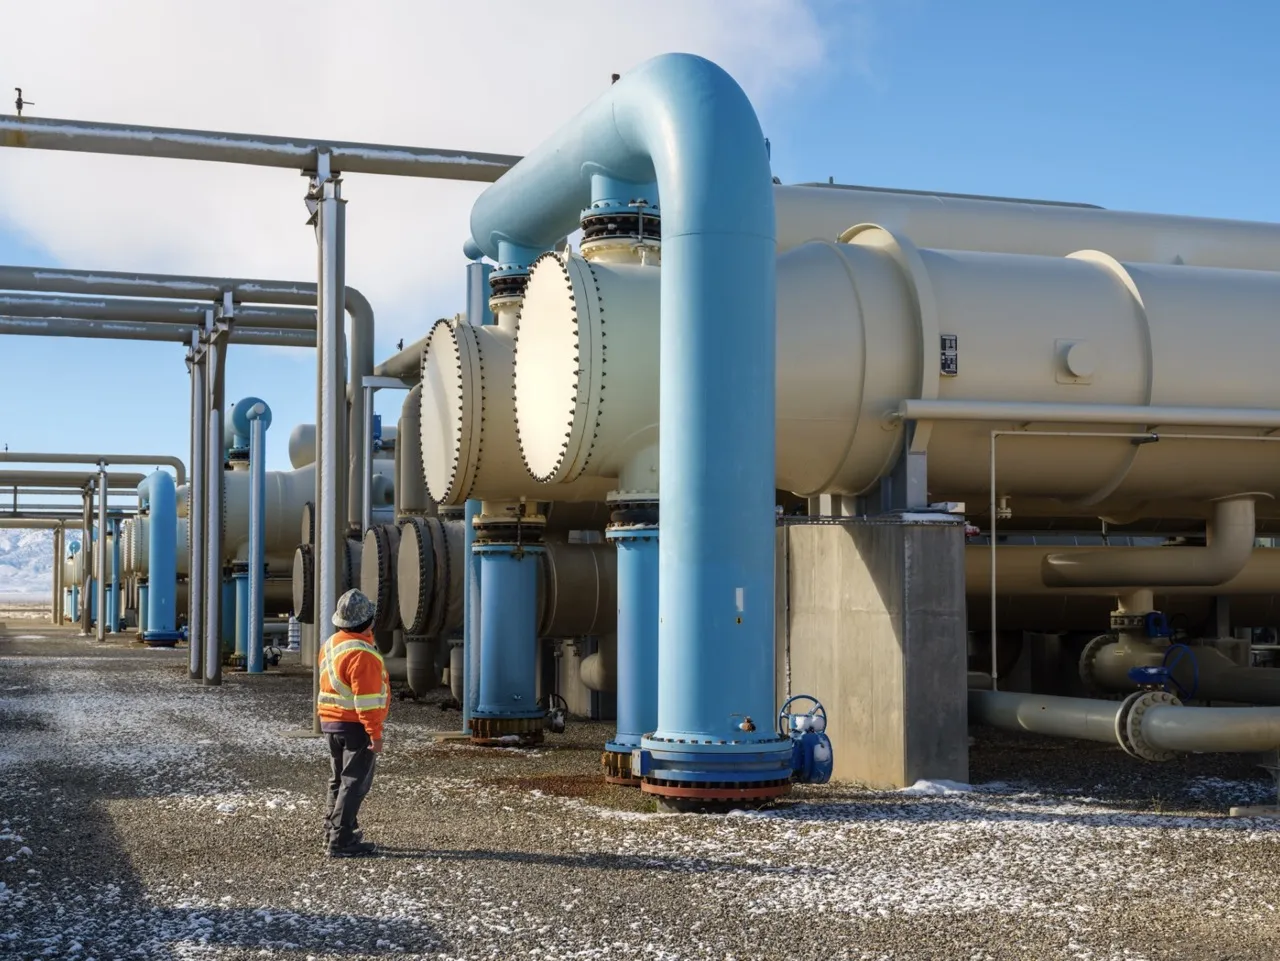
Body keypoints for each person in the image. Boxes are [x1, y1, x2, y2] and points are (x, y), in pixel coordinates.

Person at [318, 588, 390, 858]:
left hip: (332, 723)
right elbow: (368, 703)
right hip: (356, 727)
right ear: (369, 621)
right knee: (354, 783)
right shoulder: (364, 654)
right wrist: (376, 734)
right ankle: (342, 839)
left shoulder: (331, 644)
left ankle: (332, 831)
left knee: (338, 780)